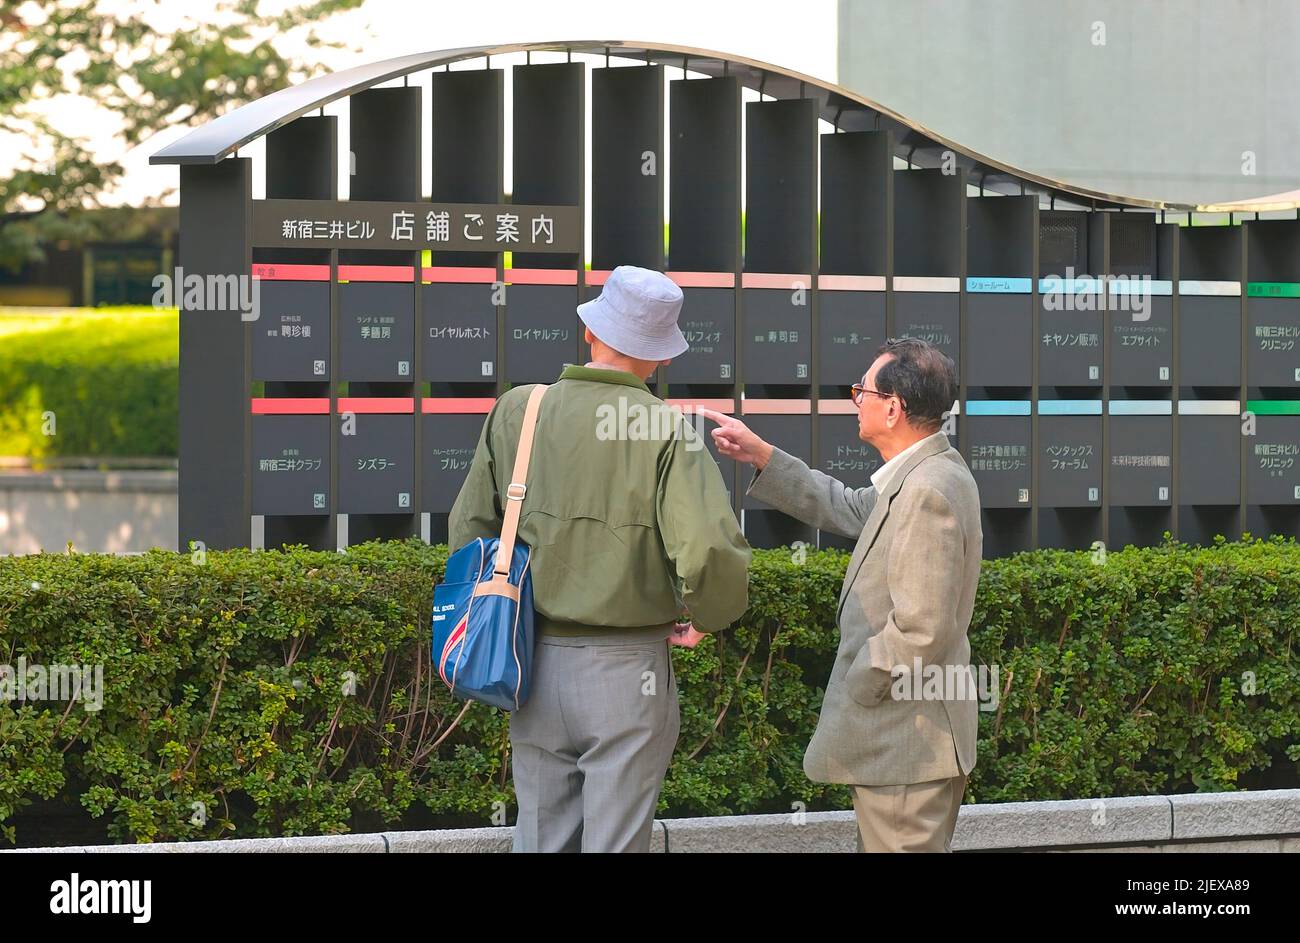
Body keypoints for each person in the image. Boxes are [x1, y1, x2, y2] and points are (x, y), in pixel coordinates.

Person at [449, 264, 750, 853]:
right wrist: (707, 616)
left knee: (540, 837)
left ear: (589, 332)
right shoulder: (667, 430)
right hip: (628, 669)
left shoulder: (519, 410)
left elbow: (470, 531)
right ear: (661, 356)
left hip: (527, 659)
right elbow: (710, 550)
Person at [699, 337, 981, 852]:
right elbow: (851, 508)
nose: (855, 401)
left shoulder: (926, 490)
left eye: (861, 392)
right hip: (909, 744)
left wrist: (862, 680)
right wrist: (763, 456)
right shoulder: (930, 470)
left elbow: (922, 627)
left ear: (893, 408)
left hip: (905, 743)